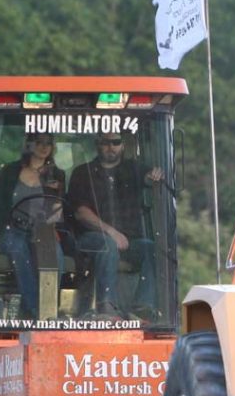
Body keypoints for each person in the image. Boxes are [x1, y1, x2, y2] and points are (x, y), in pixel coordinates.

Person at [0, 135, 66, 317]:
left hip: (42, 229)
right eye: (39, 142)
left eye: (48, 143)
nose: (44, 147)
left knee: (56, 255)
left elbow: (57, 209)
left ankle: (50, 309)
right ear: (28, 144)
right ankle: (35, 310)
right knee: (18, 248)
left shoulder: (57, 174)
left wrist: (52, 218)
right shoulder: (10, 171)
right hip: (12, 228)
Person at [68, 133, 164, 315]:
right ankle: (106, 306)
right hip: (88, 241)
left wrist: (155, 176)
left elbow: (149, 177)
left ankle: (144, 306)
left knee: (151, 248)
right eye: (105, 142)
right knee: (107, 244)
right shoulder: (83, 172)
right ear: (97, 145)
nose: (110, 147)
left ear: (123, 146)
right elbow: (81, 213)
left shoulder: (133, 170)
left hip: (128, 242)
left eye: (116, 142)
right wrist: (112, 232)